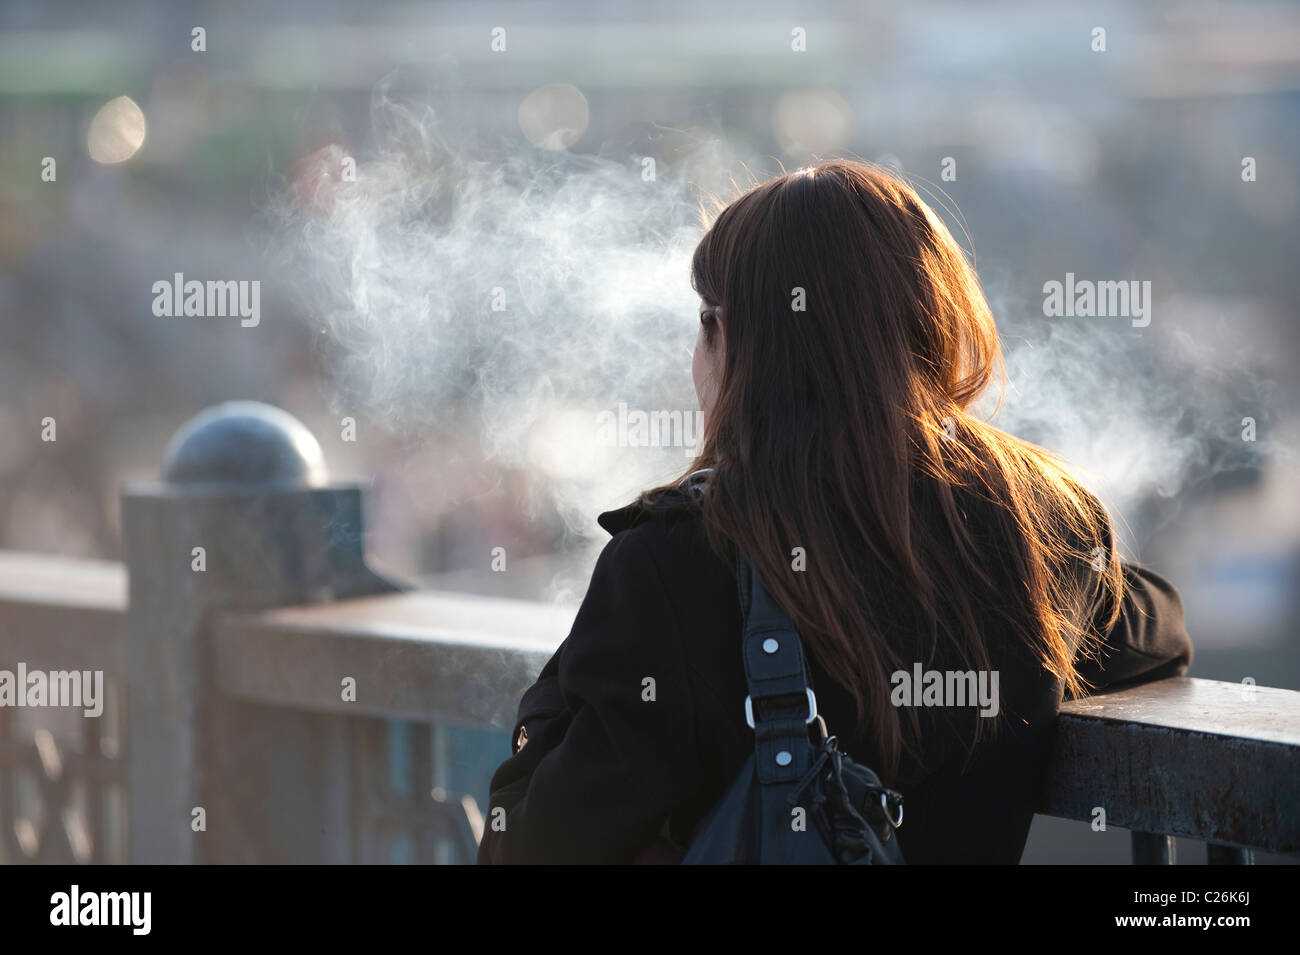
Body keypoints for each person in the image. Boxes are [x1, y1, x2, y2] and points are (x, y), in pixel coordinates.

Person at [477, 160, 1193, 864]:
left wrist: (549, 704)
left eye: (704, 324)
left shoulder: (674, 564)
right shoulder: (1045, 525)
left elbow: (526, 843)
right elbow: (1153, 627)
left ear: (730, 337)